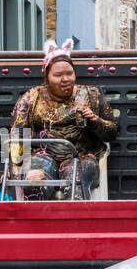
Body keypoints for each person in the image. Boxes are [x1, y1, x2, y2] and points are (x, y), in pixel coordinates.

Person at [9, 38, 119, 199]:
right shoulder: (31, 98)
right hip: (41, 156)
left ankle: (74, 224)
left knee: (75, 184)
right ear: (47, 77)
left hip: (82, 157)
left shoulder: (92, 95)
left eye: (69, 73)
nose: (65, 79)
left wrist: (95, 121)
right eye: (58, 75)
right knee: (34, 185)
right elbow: (17, 136)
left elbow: (112, 132)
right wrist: (17, 169)